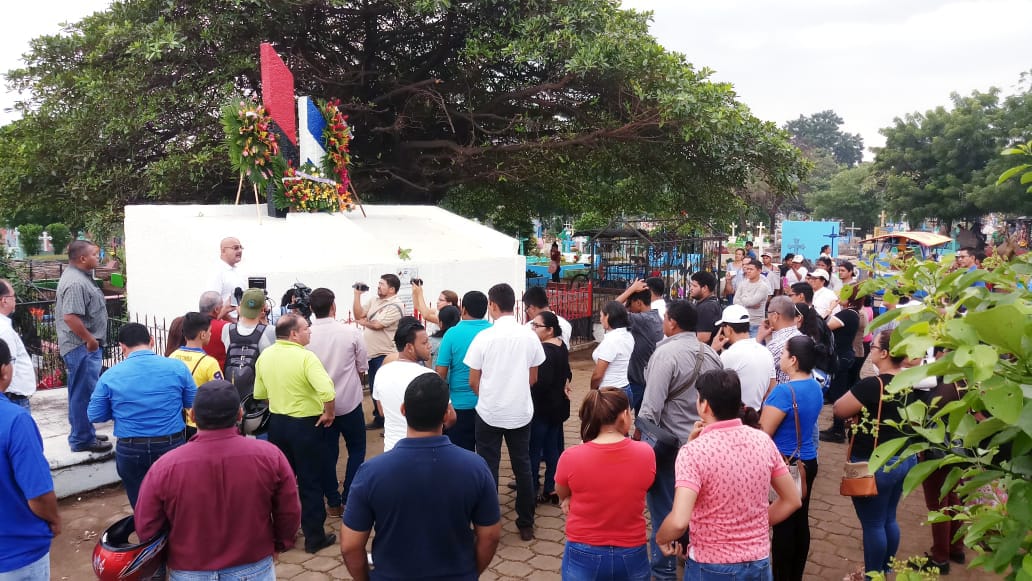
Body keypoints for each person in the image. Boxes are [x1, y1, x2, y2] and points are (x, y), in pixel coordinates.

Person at [134, 380, 301, 579]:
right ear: (240, 414)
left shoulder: (164, 467)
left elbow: (147, 525)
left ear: (192, 416)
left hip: (189, 569)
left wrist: (160, 563)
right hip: (252, 565)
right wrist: (280, 544)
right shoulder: (270, 456)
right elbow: (289, 510)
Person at [341, 373, 501, 580]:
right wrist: (469, 573)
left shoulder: (370, 472)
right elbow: (490, 535)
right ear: (447, 415)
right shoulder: (476, 467)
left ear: (403, 410)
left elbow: (350, 546)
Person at [656, 369, 801, 580]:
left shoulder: (693, 452)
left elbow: (679, 521)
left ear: (704, 405)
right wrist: (752, 526)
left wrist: (661, 538)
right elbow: (792, 499)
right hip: (758, 561)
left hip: (711, 564)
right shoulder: (762, 441)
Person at [638, 300, 722, 581]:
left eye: (665, 318)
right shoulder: (711, 354)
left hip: (670, 447)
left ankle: (663, 572)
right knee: (694, 507)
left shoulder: (665, 354)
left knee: (665, 509)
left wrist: (640, 445)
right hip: (704, 445)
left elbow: (650, 408)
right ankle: (690, 557)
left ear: (672, 322)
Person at [832, 329, 918, 575]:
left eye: (874, 347)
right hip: (904, 458)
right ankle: (886, 570)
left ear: (885, 353)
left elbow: (839, 409)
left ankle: (873, 575)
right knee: (889, 518)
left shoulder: (874, 384)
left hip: (875, 462)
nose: (871, 351)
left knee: (873, 524)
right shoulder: (909, 381)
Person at [463, 283, 545, 541]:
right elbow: (533, 378)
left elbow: (473, 380)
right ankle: (526, 523)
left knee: (488, 467)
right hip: (520, 411)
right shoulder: (529, 335)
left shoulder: (484, 337)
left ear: (493, 305)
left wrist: (489, 396)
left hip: (489, 412)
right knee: (523, 466)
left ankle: (487, 522)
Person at [87, 323, 197, 507]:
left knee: (141, 506)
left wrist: (120, 410)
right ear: (151, 341)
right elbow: (192, 403)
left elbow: (95, 415)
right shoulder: (177, 367)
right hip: (171, 444)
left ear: (122, 347)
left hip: (131, 448)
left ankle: (146, 525)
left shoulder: (110, 375)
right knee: (176, 504)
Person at [254, 313, 337, 554]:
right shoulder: (306, 357)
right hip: (305, 425)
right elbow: (327, 391)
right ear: (293, 334)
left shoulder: (265, 355)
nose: (309, 331)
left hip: (278, 424)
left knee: (282, 482)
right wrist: (329, 413)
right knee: (310, 481)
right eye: (306, 328)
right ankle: (314, 537)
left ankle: (283, 536)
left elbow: (260, 393)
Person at [555, 388, 654, 580]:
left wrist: (568, 497)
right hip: (632, 550)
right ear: (624, 415)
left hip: (583, 549)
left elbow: (561, 490)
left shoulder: (571, 456)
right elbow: (645, 485)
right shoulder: (646, 453)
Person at [760, 336, 824, 581]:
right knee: (800, 521)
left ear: (794, 360)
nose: (781, 357)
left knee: (784, 525)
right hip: (808, 460)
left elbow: (764, 432)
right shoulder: (815, 385)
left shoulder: (784, 392)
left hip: (786, 464)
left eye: (784, 353)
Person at [0, 338, 60, 581]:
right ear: (4, 370)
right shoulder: (15, 421)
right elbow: (39, 495)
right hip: (17, 553)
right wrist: (54, 520)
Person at [306, 288, 368, 519]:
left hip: (321, 406)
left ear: (311, 308)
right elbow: (362, 366)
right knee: (357, 449)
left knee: (327, 454)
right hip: (349, 401)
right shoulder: (350, 332)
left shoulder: (305, 336)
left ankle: (333, 501)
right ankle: (349, 496)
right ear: (333, 306)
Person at [56, 240, 112, 453]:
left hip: (83, 346)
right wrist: (90, 339)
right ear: (82, 258)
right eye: (94, 255)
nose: (98, 258)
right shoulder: (75, 283)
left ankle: (83, 432)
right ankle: (82, 439)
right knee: (83, 394)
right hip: (81, 347)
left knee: (80, 392)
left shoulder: (81, 277)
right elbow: (70, 316)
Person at [436, 290, 491, 452]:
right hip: (488, 403)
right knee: (488, 454)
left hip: (460, 405)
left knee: (461, 453)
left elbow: (441, 373)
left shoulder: (452, 334)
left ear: (463, 309)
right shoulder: (493, 332)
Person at [373, 319, 436, 452]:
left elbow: (382, 411)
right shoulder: (428, 375)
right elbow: (449, 417)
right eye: (425, 342)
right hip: (423, 449)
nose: (429, 346)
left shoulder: (381, 372)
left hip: (392, 448)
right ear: (409, 347)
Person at [528, 311, 571, 504]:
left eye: (537, 326)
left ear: (550, 330)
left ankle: (531, 488)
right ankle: (552, 487)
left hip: (542, 408)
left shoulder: (543, 350)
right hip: (558, 406)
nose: (533, 329)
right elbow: (568, 372)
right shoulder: (561, 345)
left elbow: (541, 383)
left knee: (534, 449)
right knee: (552, 447)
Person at [353, 274, 405, 430]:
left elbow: (377, 325)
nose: (378, 286)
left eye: (382, 284)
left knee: (384, 388)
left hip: (385, 354)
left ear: (392, 289)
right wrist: (357, 295)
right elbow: (358, 315)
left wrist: (363, 322)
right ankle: (380, 418)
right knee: (375, 387)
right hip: (372, 354)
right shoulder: (374, 300)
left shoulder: (396, 305)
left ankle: (387, 419)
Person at [168, 312, 224, 438]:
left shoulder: (172, 357)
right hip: (199, 423)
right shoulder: (210, 363)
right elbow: (221, 394)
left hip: (177, 422)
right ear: (202, 334)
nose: (211, 334)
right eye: (209, 331)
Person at [711, 304, 775, 410]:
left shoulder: (729, 355)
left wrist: (712, 350)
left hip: (734, 413)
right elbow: (771, 389)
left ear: (728, 329)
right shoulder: (766, 352)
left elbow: (713, 387)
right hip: (757, 412)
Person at [820, 289, 863, 443]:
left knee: (838, 394)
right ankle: (838, 427)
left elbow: (823, 327)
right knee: (840, 392)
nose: (839, 297)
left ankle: (838, 431)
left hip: (841, 357)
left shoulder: (848, 314)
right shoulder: (853, 313)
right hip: (845, 355)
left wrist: (830, 309)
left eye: (843, 294)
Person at [615, 279, 663, 413]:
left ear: (638, 303)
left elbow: (612, 309)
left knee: (616, 416)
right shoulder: (656, 317)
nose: (628, 308)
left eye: (630, 304)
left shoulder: (642, 320)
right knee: (643, 421)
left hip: (637, 382)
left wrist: (630, 290)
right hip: (648, 380)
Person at [221, 288, 277, 400]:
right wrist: (264, 318)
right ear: (263, 308)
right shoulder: (270, 331)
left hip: (232, 394)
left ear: (241, 305)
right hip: (257, 396)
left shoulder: (227, 329)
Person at [0, 279, 37, 410]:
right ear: (4, 300)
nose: (15, 300)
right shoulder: (4, 330)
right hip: (13, 398)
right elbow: (8, 367)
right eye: (13, 296)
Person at [590, 301, 634, 402]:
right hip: (624, 387)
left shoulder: (612, 340)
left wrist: (592, 391)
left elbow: (598, 375)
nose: (600, 319)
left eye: (601, 316)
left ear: (608, 316)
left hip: (610, 393)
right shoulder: (627, 334)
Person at [759, 296, 804, 385]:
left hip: (782, 391)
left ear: (775, 316)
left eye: (768, 313)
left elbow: (757, 369)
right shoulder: (801, 336)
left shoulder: (776, 345)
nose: (766, 317)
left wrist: (759, 338)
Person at [733, 258, 771, 337]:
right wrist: (748, 303)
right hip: (743, 322)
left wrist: (742, 297)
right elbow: (735, 301)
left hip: (756, 324)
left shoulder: (763, 286)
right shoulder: (742, 283)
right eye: (747, 269)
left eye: (751, 269)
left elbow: (751, 302)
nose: (748, 271)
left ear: (759, 271)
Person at [208, 237, 246, 308]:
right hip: (226, 315)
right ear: (223, 251)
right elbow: (212, 303)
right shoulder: (217, 271)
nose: (240, 250)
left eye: (241, 247)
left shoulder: (237, 271)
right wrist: (229, 316)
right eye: (236, 248)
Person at [198, 290, 229, 370]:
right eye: (222, 306)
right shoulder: (225, 327)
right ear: (216, 309)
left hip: (196, 372)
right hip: (218, 373)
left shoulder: (190, 324)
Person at [689, 271, 721, 345]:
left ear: (705, 288)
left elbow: (703, 338)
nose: (691, 288)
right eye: (691, 285)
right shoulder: (710, 303)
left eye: (694, 286)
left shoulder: (706, 307)